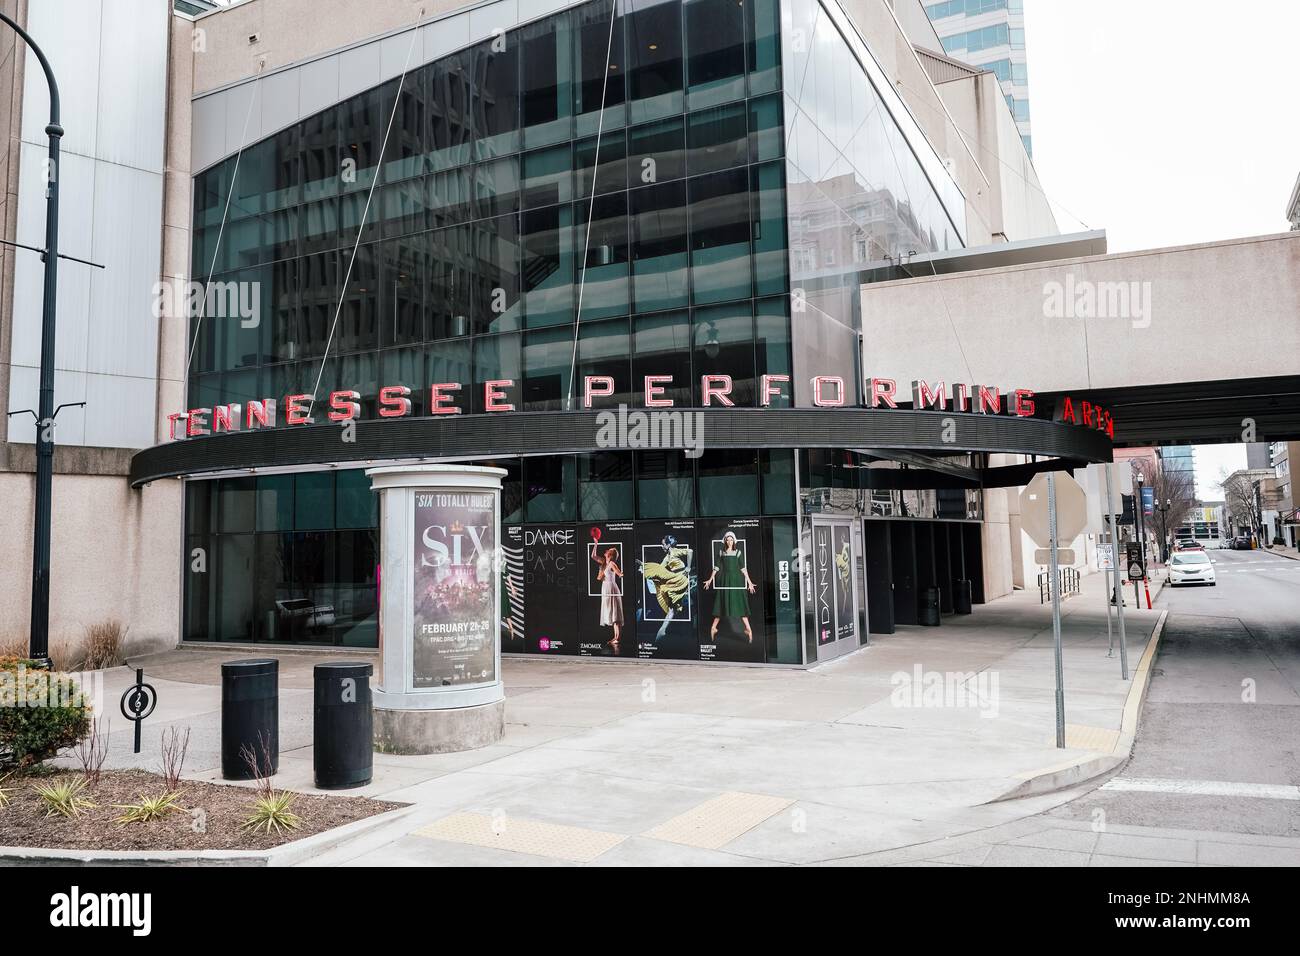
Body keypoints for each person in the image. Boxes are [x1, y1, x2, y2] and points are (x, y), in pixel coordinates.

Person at [703, 531, 757, 643]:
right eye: (727, 539)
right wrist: (710, 579)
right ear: (725, 541)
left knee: (740, 605)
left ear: (734, 540)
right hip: (725, 581)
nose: (729, 541)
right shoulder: (721, 552)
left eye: (731, 539)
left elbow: (743, 569)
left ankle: (748, 629)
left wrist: (750, 582)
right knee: (721, 604)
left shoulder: (738, 552)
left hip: (736, 581)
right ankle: (713, 628)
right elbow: (716, 567)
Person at [639, 535, 692, 640]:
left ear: (668, 545)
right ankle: (663, 630)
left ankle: (664, 629)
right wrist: (645, 569)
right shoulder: (667, 557)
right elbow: (659, 568)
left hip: (680, 579)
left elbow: (690, 551)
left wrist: (688, 567)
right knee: (673, 609)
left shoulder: (675, 552)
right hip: (675, 579)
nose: (661, 546)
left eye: (663, 544)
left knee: (673, 604)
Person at [593, 546, 624, 647]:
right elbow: (593, 556)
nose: (605, 551)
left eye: (608, 551)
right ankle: (615, 637)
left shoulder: (611, 563)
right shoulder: (604, 563)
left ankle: (618, 638)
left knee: (615, 614)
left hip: (611, 588)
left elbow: (619, 573)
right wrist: (596, 543)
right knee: (612, 613)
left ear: (610, 555)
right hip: (605, 589)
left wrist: (621, 574)